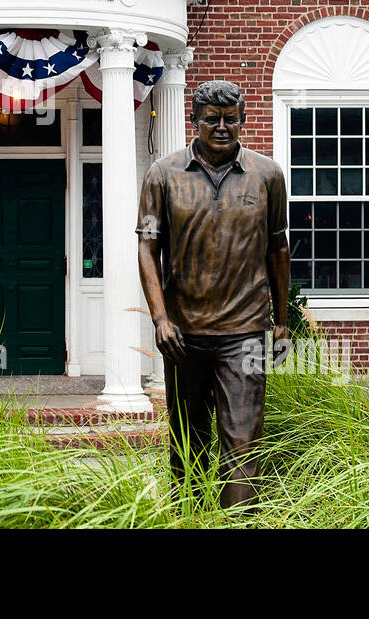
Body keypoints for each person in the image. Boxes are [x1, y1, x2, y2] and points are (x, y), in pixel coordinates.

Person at [136, 79, 290, 509]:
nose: (221, 128)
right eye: (211, 120)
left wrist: (281, 323)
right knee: (188, 441)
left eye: (230, 120)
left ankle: (239, 520)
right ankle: (189, 516)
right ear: (194, 120)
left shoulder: (267, 175)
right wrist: (161, 319)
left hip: (245, 329)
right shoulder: (163, 174)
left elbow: (278, 248)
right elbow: (147, 249)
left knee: (243, 441)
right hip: (183, 333)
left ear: (242, 120)